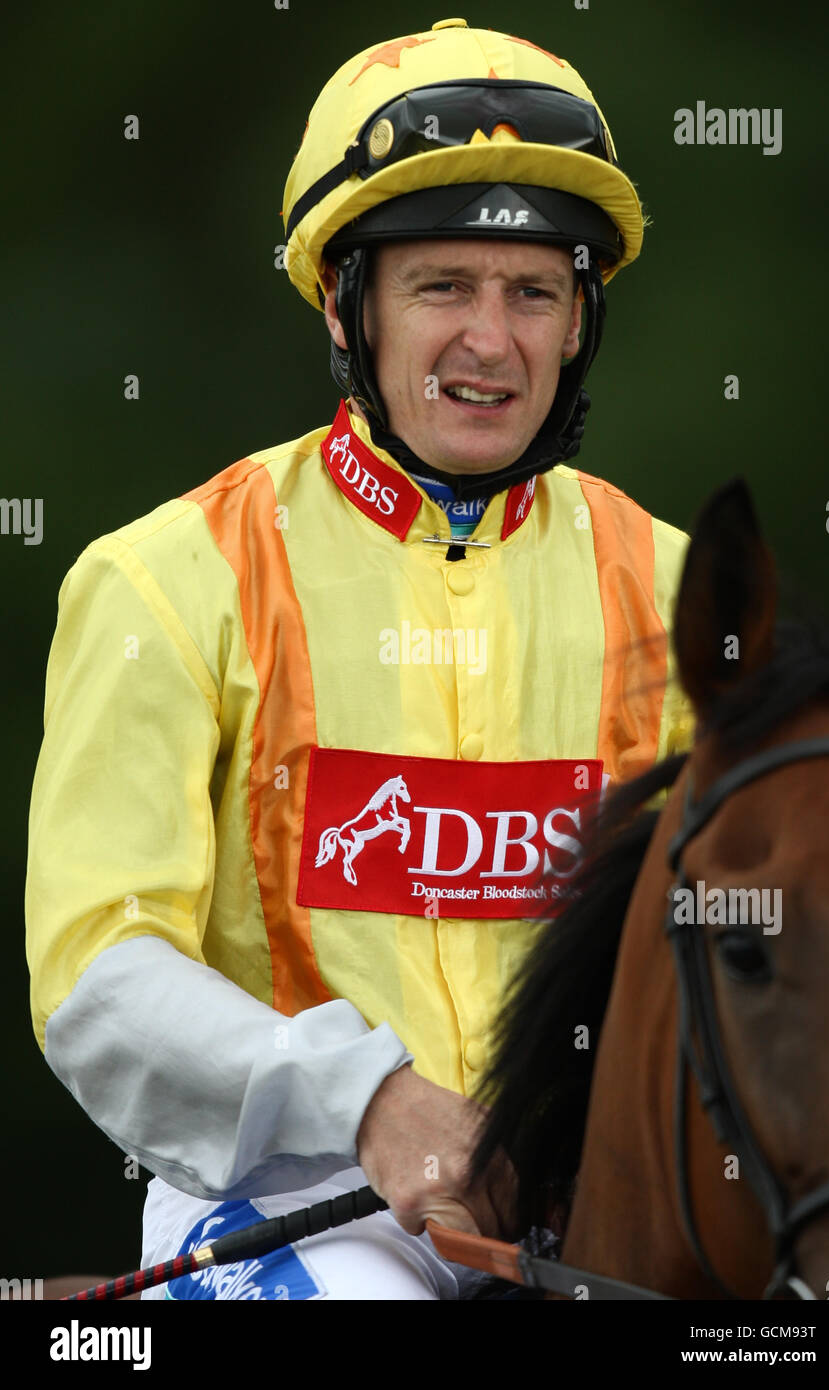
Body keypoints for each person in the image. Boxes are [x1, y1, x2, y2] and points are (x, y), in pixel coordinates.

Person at [25, 18, 693, 1300]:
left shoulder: (673, 588)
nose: (490, 342)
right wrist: (369, 1097)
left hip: (598, 1215)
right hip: (291, 1204)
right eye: (443, 285)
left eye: (532, 291)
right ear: (347, 301)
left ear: (576, 321)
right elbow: (98, 977)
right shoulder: (161, 578)